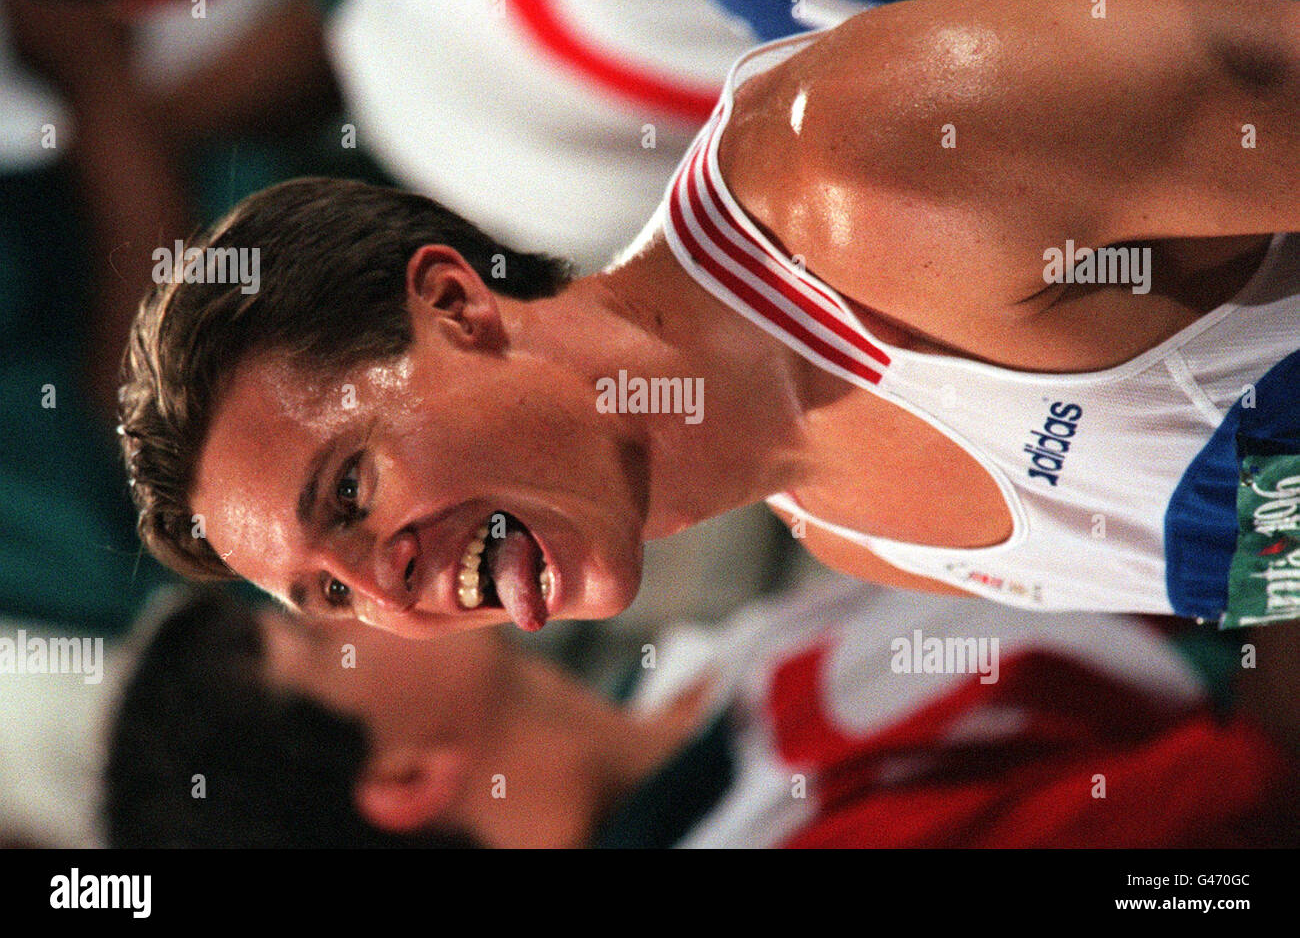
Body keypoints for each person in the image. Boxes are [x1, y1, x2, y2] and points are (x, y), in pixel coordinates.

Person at [119, 0, 1300, 638]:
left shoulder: (869, 170)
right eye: (330, 593)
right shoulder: (843, 533)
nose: (391, 587)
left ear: (455, 304)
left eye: (350, 491)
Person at [102, 581, 1298, 847]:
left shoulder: (685, 674)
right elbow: (1260, 792)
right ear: (405, 777)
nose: (373, 575)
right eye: (324, 619)